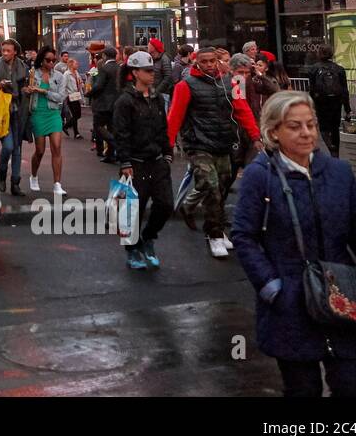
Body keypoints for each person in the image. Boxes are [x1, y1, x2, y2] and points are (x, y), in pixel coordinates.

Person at [231, 91, 356, 397]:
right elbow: (244, 236)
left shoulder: (338, 173)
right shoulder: (259, 177)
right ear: (273, 132)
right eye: (294, 126)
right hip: (290, 301)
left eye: (311, 124)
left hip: (343, 297)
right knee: (303, 390)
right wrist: (271, 286)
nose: (306, 133)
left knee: (353, 387)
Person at [167, 47, 261, 258]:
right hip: (198, 143)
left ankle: (200, 216)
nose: (209, 65)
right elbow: (175, 116)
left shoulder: (233, 82)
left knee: (222, 186)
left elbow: (242, 109)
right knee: (211, 186)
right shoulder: (185, 86)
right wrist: (168, 145)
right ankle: (215, 233)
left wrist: (255, 136)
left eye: (212, 61)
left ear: (217, 61)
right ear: (196, 62)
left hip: (223, 142)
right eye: (205, 61)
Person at [112, 52, 173, 270]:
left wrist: (167, 153)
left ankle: (148, 238)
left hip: (156, 160)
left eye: (152, 69)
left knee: (166, 204)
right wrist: (125, 162)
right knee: (132, 210)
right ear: (135, 73)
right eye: (148, 70)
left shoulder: (156, 98)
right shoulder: (125, 101)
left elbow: (162, 128)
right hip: (135, 163)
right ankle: (132, 250)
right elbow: (121, 133)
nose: (152, 73)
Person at [24, 48, 68, 196]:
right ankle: (34, 176)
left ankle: (57, 184)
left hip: (53, 113)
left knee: (57, 147)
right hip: (37, 113)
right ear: (41, 60)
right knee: (40, 150)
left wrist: (44, 91)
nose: (51, 63)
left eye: (53, 60)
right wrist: (28, 90)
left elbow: (61, 97)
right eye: (48, 60)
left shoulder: (59, 76)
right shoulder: (32, 73)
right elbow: (24, 89)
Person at [0, 40, 31, 195]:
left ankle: (15, 183)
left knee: (17, 149)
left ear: (15, 51)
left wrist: (26, 90)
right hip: (4, 111)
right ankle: (2, 172)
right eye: (3, 50)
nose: (5, 53)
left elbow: (24, 86)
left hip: (19, 110)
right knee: (8, 146)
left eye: (8, 50)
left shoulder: (23, 67)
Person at [307, 44, 351, 156]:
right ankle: (335, 151)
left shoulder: (314, 69)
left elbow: (312, 89)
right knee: (335, 126)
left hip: (320, 102)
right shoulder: (339, 69)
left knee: (323, 126)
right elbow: (345, 90)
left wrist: (312, 105)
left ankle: (330, 145)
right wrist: (347, 109)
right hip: (336, 101)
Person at [88, 46, 120, 162]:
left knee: (98, 126)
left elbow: (99, 85)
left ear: (105, 56)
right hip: (116, 102)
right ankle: (110, 155)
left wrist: (89, 93)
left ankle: (114, 143)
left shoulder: (105, 69)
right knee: (111, 127)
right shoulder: (119, 67)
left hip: (103, 103)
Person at [247, 53, 279, 123]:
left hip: (268, 115)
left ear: (266, 68)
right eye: (256, 65)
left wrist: (261, 76)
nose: (257, 67)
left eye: (260, 65)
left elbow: (273, 89)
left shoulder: (271, 80)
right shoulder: (253, 79)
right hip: (255, 116)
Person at [147, 38, 173, 109]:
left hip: (162, 94)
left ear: (158, 50)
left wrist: (156, 91)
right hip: (154, 93)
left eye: (152, 52)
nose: (151, 55)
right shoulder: (154, 59)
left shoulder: (165, 59)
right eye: (149, 53)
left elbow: (168, 77)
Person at [64, 57, 84, 139]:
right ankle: (76, 133)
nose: (78, 64)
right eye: (76, 63)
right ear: (71, 64)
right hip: (71, 96)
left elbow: (79, 82)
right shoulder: (66, 74)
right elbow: (63, 86)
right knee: (75, 115)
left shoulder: (76, 72)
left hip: (77, 95)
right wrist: (67, 95)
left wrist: (81, 83)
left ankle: (65, 126)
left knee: (78, 115)